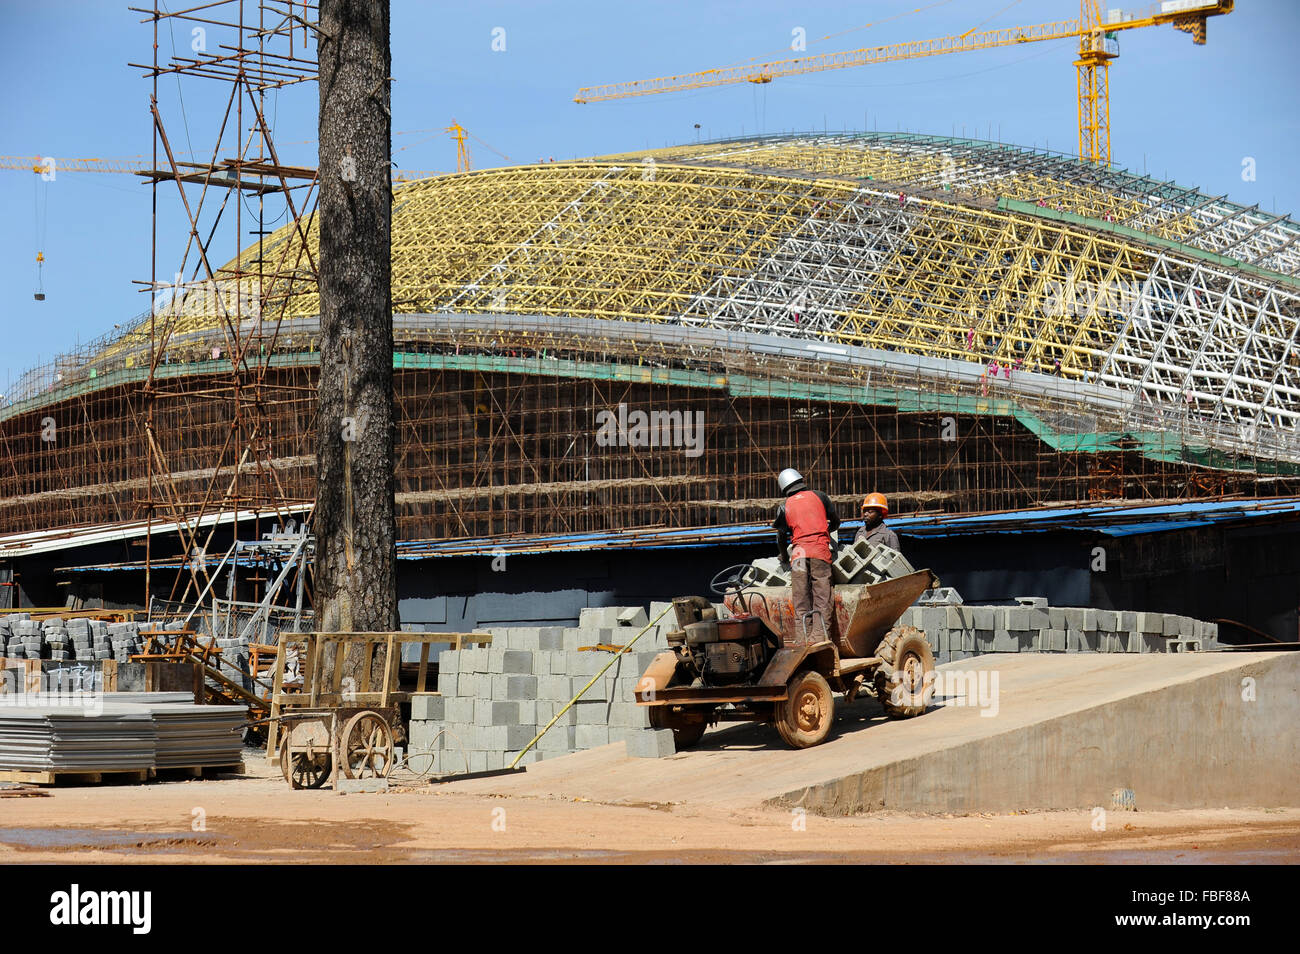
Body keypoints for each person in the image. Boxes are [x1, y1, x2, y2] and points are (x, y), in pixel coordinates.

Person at [772, 468, 840, 639]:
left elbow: (780, 538)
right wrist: (824, 532)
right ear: (800, 480)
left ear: (784, 488)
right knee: (822, 598)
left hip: (799, 554)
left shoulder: (784, 506)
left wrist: (785, 557)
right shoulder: (820, 496)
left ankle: (803, 641)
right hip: (819, 551)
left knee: (801, 598)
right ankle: (820, 639)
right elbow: (836, 522)